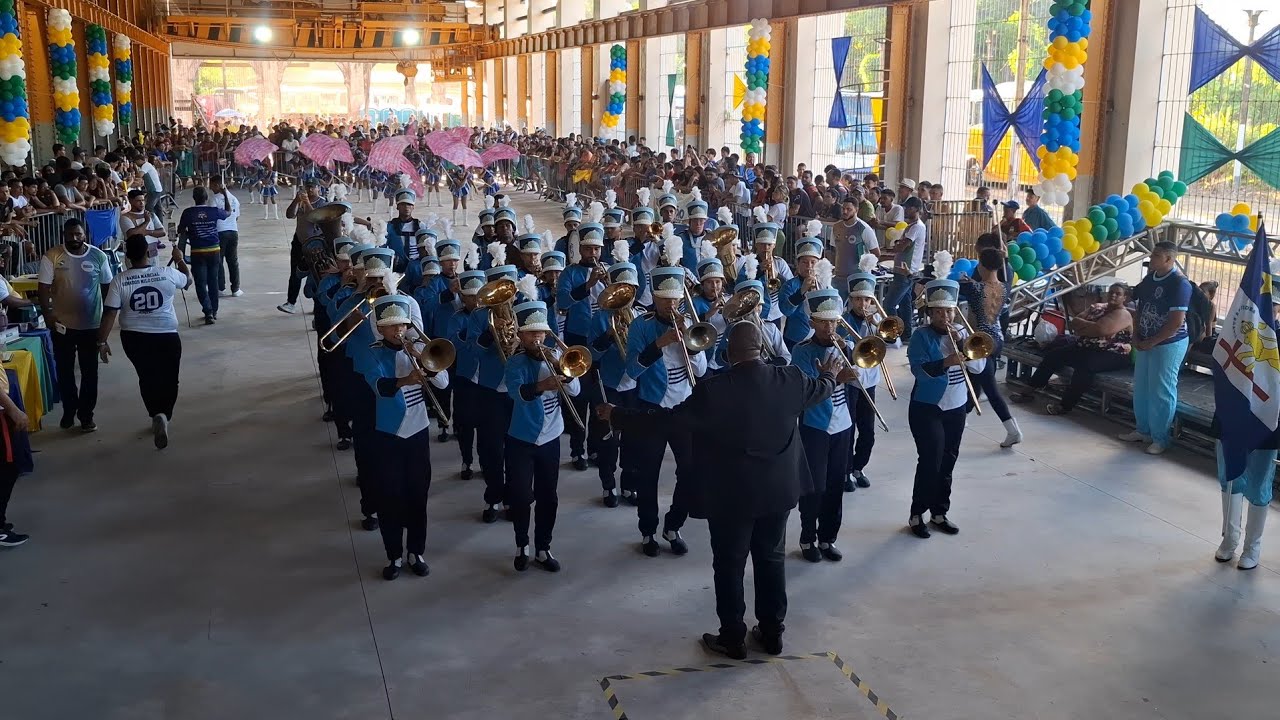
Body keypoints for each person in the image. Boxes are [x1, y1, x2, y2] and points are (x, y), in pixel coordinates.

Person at [600, 322, 843, 659]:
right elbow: (822, 388)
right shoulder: (791, 380)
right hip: (777, 492)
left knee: (729, 564)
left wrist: (618, 416)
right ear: (763, 350)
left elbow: (667, 421)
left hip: (731, 496)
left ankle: (733, 638)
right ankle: (772, 634)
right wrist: (831, 375)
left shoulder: (713, 391)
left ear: (728, 354)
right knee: (771, 559)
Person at [360, 295, 448, 581]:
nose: (398, 331)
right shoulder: (372, 352)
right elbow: (378, 386)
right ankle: (394, 555)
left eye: (402, 325)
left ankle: (416, 551)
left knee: (418, 494)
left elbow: (443, 383)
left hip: (418, 430)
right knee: (390, 496)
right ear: (381, 329)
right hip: (388, 434)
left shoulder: (419, 347)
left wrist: (424, 358)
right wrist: (405, 380)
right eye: (392, 327)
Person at [623, 266, 707, 557]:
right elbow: (632, 370)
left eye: (675, 300)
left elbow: (702, 370)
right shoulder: (640, 326)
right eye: (665, 300)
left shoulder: (689, 324)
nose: (671, 305)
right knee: (648, 474)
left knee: (692, 471)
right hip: (651, 409)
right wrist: (659, 343)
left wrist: (691, 347)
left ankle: (673, 525)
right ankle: (648, 531)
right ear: (654, 298)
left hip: (683, 409)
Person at [906, 275, 987, 538]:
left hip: (957, 406)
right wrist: (947, 361)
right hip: (927, 407)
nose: (945, 315)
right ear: (930, 312)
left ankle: (940, 512)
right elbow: (920, 371)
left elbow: (978, 367)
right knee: (931, 460)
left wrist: (964, 345)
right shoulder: (921, 336)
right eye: (939, 311)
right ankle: (917, 512)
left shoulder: (963, 334)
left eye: (949, 310)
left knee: (949, 459)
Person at [504, 300, 580, 572]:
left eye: (541, 333)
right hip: (521, 439)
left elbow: (576, 392)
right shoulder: (515, 362)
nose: (537, 338)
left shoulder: (556, 358)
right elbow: (517, 393)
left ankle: (543, 547)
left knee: (549, 496)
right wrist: (543, 385)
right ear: (521, 336)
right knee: (522, 496)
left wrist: (566, 373)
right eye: (531, 333)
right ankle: (522, 544)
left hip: (551, 437)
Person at [97, 236, 192, 448]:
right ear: (148, 253)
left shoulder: (119, 280)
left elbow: (110, 313)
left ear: (128, 257)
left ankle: (155, 413)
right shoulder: (166, 273)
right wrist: (180, 260)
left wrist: (101, 342)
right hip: (166, 334)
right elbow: (188, 281)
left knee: (147, 377)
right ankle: (164, 414)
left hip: (134, 337)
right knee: (170, 378)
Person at [790, 288, 862, 563]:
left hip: (843, 425)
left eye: (833, 321)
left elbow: (862, 378)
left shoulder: (846, 347)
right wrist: (838, 378)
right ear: (812, 323)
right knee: (815, 486)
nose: (829, 327)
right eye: (822, 321)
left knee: (836, 484)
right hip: (815, 426)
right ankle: (808, 537)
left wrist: (854, 366)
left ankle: (827, 537)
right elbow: (807, 391)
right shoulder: (802, 351)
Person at [38, 218, 114, 432]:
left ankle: (86, 415)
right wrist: (48, 315)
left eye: (78, 234)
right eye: (70, 235)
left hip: (91, 325)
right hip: (62, 326)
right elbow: (43, 288)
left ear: (85, 235)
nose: (74, 238)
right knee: (65, 372)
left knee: (90, 373)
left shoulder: (98, 256)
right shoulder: (52, 256)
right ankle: (70, 410)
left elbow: (107, 288)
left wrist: (106, 321)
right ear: (64, 235)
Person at [1011, 283, 1133, 414]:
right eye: (1111, 292)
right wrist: (1091, 327)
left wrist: (1087, 327)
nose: (1113, 295)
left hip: (1112, 354)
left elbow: (1100, 330)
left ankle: (1065, 406)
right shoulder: (1099, 307)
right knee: (1054, 355)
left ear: (1124, 298)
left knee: (1086, 367)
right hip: (1086, 347)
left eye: (1118, 293)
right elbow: (1074, 322)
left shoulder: (1123, 314)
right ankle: (1028, 392)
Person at [1118, 243, 1192, 454]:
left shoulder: (1179, 284)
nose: (1152, 258)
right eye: (1152, 254)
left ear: (1169, 259)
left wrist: (1154, 341)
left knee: (1161, 389)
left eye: (1157, 256)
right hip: (1145, 338)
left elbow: (1176, 322)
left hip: (1168, 342)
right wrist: (1136, 334)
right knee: (1141, 386)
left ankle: (1160, 437)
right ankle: (1143, 429)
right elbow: (1139, 307)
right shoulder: (1150, 279)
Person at [957, 249, 1022, 447]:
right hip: (997, 339)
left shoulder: (976, 288)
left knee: (990, 388)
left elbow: (949, 288)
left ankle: (1013, 430)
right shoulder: (1003, 288)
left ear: (981, 265)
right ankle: (960, 419)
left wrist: (911, 276)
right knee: (977, 382)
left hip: (981, 342)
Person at [175, 186, 229, 325]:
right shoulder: (213, 211)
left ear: (194, 198)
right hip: (214, 250)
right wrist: (226, 195)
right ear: (206, 198)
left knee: (200, 283)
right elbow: (228, 213)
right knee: (213, 281)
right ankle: (214, 311)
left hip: (197, 251)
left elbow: (180, 230)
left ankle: (208, 311)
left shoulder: (188, 213)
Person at [879, 196, 926, 342]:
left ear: (917, 209)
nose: (906, 210)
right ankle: (906, 334)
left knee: (889, 304)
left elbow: (902, 246)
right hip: (905, 270)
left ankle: (893, 334)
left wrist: (895, 245)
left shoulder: (916, 227)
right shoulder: (912, 225)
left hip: (905, 271)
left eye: (909, 208)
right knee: (905, 304)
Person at [280, 180, 327, 314]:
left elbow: (315, 218)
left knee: (315, 276)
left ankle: (317, 306)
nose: (310, 190)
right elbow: (289, 215)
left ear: (318, 188)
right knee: (295, 272)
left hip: (315, 244)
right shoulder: (300, 201)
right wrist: (296, 200)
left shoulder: (322, 203)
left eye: (313, 187)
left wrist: (307, 203)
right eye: (308, 187)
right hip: (299, 242)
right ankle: (291, 302)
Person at [209, 176, 242, 297]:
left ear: (217, 185)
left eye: (211, 185)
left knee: (219, 261)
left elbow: (211, 216)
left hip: (219, 232)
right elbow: (237, 216)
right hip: (233, 231)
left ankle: (221, 288)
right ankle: (236, 289)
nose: (210, 187)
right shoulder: (234, 199)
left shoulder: (214, 199)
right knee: (233, 261)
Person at [117, 189, 168, 266]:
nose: (142, 203)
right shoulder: (126, 217)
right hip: (136, 256)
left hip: (153, 253)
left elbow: (162, 232)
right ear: (131, 201)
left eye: (143, 200)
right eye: (138, 201)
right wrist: (146, 221)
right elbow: (131, 234)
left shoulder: (151, 215)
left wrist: (147, 232)